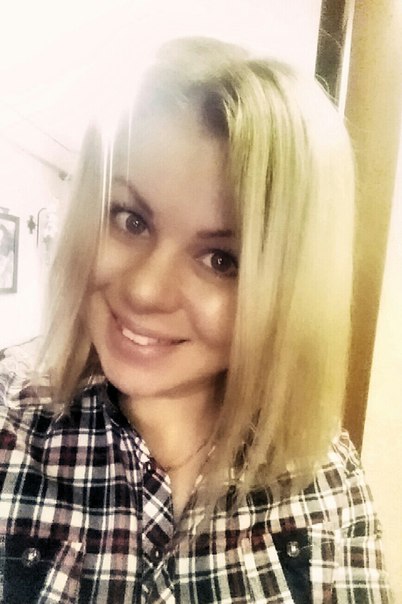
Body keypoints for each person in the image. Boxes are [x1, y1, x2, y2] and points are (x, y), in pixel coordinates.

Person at [0, 37, 391, 603]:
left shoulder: (325, 475)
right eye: (130, 220)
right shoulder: (11, 431)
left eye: (221, 260)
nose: (145, 289)